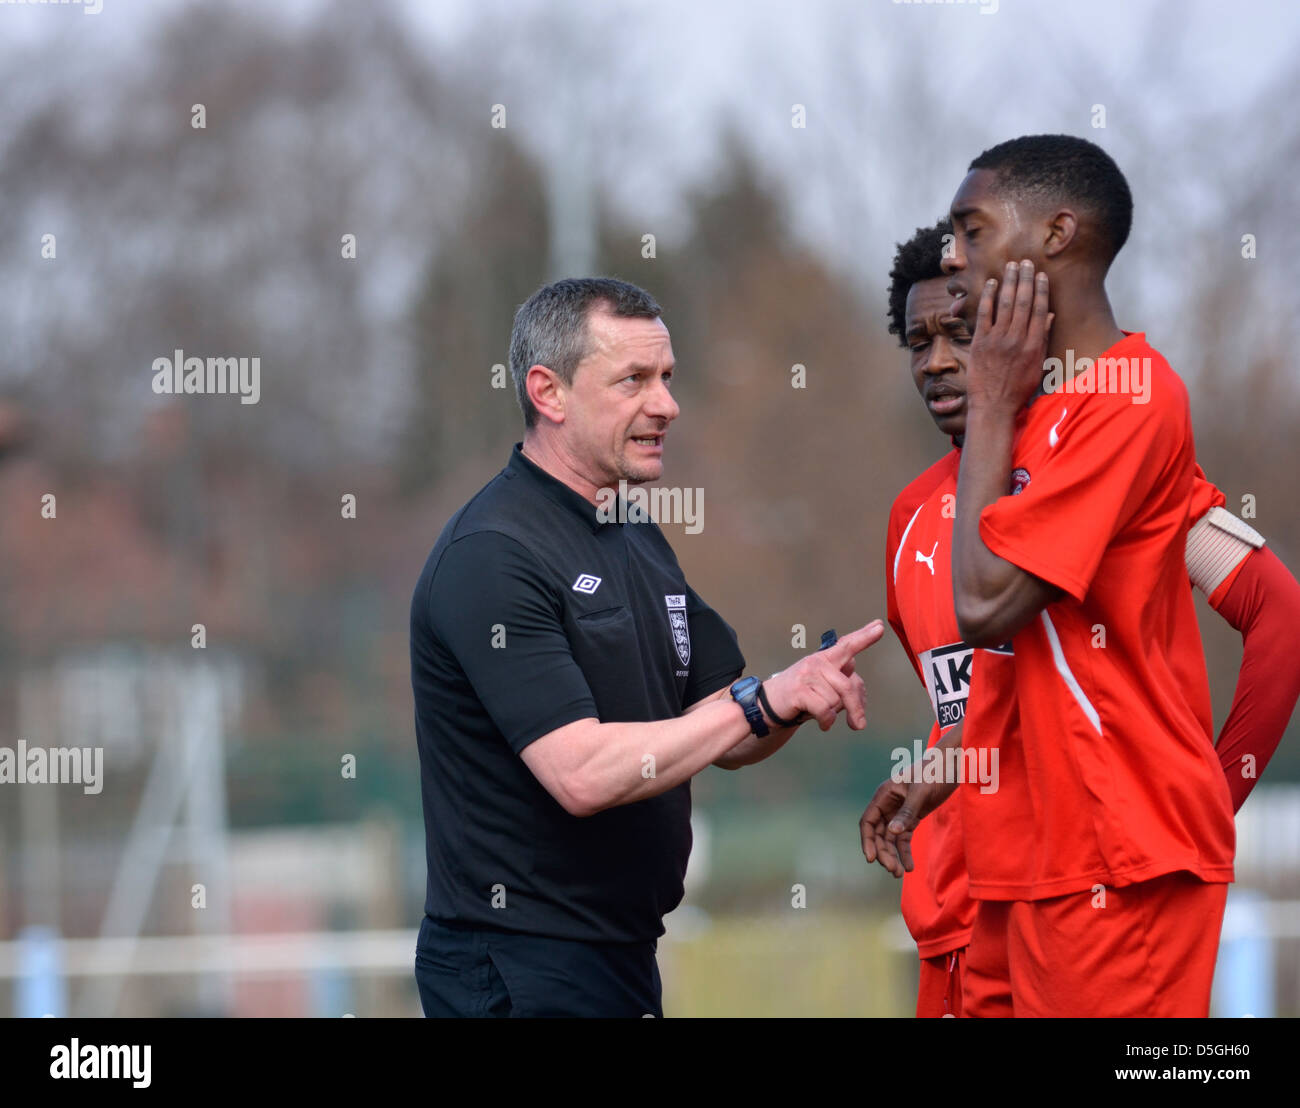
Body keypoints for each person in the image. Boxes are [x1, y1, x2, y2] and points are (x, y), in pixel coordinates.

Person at [861, 217, 1300, 1018]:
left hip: (1083, 908)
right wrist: (948, 763)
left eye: (964, 331)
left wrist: (1205, 796)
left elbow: (1280, 614)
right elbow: (991, 694)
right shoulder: (908, 520)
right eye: (917, 342)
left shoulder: (1102, 464)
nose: (940, 362)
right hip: (953, 923)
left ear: (1019, 330)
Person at [410, 276, 884, 1018]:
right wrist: (759, 705)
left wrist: (792, 695)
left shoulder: (637, 534)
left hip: (622, 961)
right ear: (549, 392)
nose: (666, 405)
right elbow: (582, 774)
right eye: (633, 380)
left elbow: (723, 730)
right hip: (517, 969)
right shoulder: (492, 554)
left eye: (666, 379)